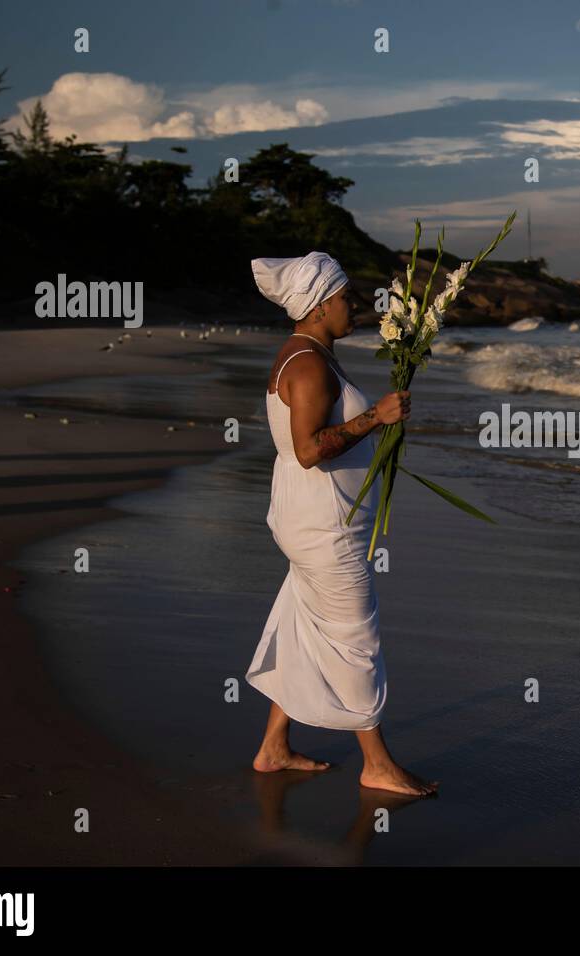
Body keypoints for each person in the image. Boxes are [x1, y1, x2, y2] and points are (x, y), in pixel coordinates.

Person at [245, 251, 437, 796]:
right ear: (320, 303)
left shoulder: (310, 353)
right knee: (356, 639)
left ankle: (273, 746)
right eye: (347, 296)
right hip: (323, 526)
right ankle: (376, 763)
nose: (355, 304)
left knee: (307, 625)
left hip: (310, 518)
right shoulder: (307, 364)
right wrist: (375, 417)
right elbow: (310, 449)